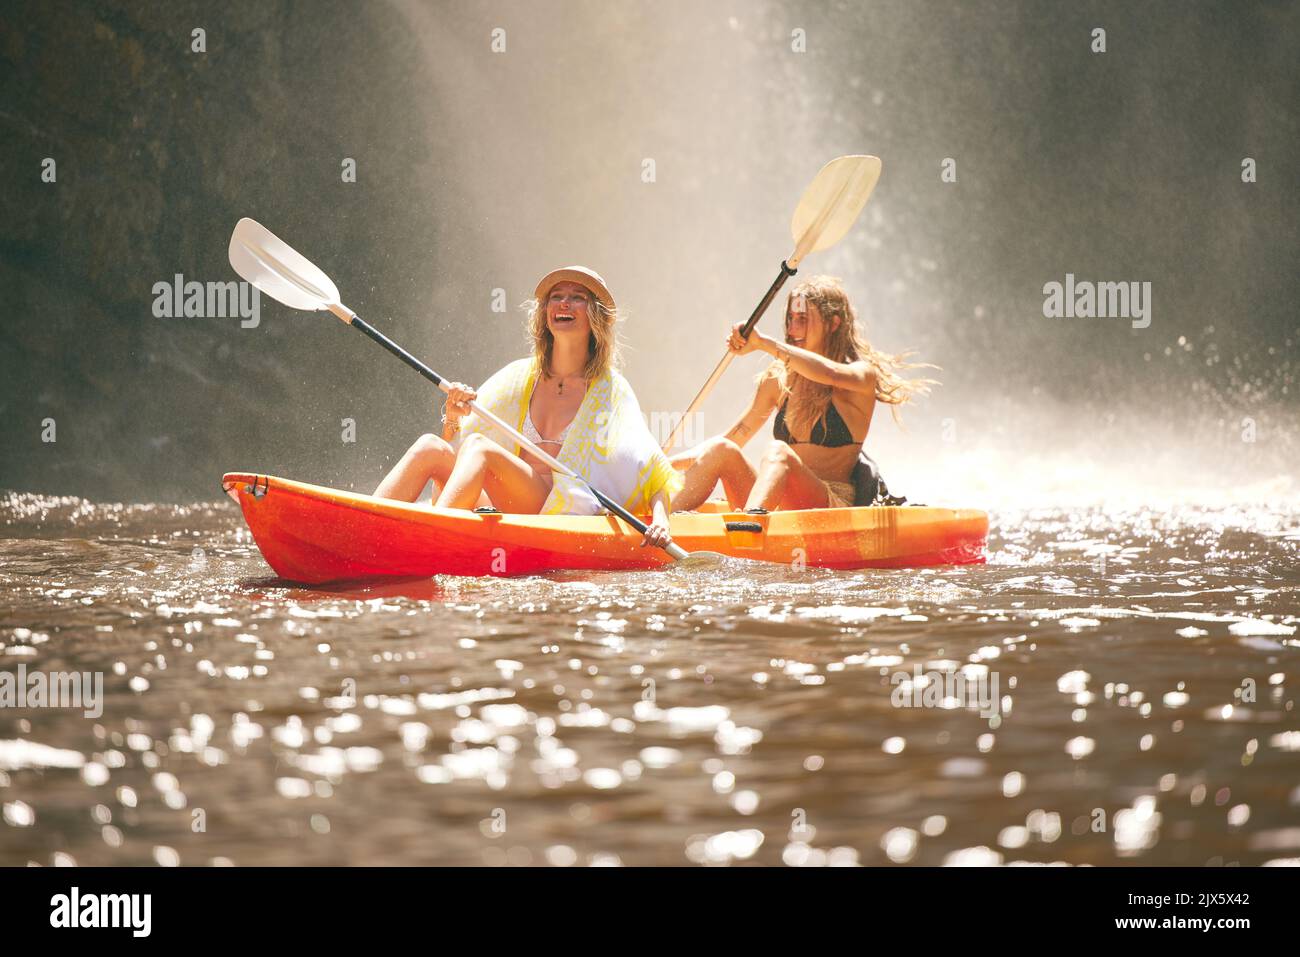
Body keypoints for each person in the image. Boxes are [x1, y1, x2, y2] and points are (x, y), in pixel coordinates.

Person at [374, 266, 680, 549]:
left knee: (480, 447)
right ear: (545, 313)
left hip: (553, 512)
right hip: (498, 502)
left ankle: (430, 541)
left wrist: (662, 523)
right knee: (431, 446)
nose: (564, 304)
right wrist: (453, 419)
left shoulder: (610, 390)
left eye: (577, 298)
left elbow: (652, 471)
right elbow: (456, 448)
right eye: (556, 297)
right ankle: (363, 526)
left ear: (596, 316)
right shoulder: (517, 377)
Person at [670, 276, 934, 512]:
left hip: (829, 506)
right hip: (773, 507)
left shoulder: (860, 376)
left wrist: (764, 344)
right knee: (721, 449)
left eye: (803, 320)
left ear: (833, 324)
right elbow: (738, 434)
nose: (792, 329)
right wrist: (664, 462)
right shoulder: (778, 379)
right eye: (790, 319)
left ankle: (750, 529)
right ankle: (660, 523)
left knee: (778, 452)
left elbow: (828, 373)